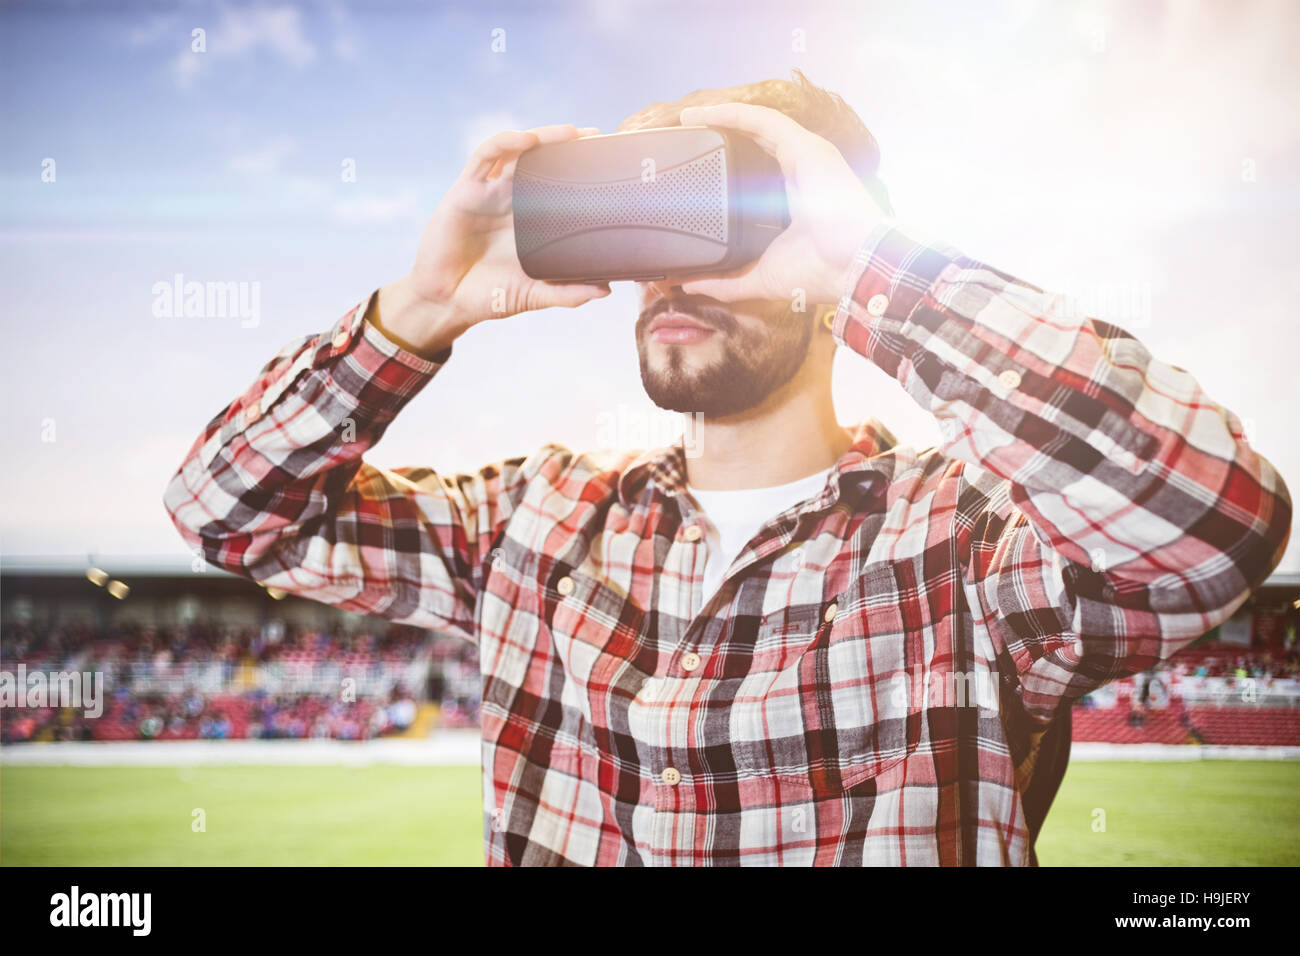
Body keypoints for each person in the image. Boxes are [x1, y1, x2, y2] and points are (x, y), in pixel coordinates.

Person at [164, 72, 1291, 866]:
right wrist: (417, 311)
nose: (674, 272)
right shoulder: (538, 519)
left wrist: (870, 268)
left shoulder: (970, 538)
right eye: (643, 229)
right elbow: (226, 510)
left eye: (719, 221)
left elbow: (1213, 518)